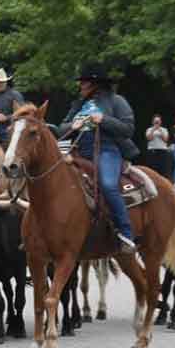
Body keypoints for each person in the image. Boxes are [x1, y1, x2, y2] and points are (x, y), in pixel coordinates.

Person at [59, 63, 139, 254]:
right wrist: (73, 125)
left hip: (107, 151)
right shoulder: (78, 104)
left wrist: (103, 120)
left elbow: (128, 129)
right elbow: (61, 129)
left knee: (108, 184)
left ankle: (126, 233)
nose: (81, 86)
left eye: (84, 82)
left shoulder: (116, 101)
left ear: (96, 84)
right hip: (77, 153)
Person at [145, 114, 171, 180]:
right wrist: (153, 129)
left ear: (160, 122)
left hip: (162, 150)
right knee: (153, 168)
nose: (157, 122)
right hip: (152, 150)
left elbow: (166, 140)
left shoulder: (164, 129)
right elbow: (149, 138)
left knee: (163, 168)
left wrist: (160, 130)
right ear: (152, 122)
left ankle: (164, 182)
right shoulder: (149, 129)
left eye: (158, 121)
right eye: (155, 121)